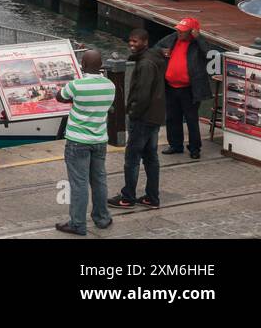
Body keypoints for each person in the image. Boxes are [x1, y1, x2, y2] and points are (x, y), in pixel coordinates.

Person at [53, 49, 116, 235]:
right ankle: (102, 218)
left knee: (79, 183)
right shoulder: (110, 85)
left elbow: (60, 97)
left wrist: (74, 100)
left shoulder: (76, 85)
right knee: (99, 179)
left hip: (77, 141)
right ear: (101, 65)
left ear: (83, 65)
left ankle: (78, 224)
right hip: (99, 139)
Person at [109, 28, 166, 209]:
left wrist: (133, 113)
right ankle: (152, 197)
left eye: (136, 41)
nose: (132, 44)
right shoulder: (154, 59)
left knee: (132, 158)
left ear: (145, 42)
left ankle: (128, 197)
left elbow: (142, 94)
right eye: (130, 41)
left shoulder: (145, 64)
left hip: (143, 118)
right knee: (150, 157)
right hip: (155, 116)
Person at [157, 18, 211, 160]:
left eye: (183, 31)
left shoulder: (197, 44)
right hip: (171, 86)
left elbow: (209, 54)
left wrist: (199, 38)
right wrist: (162, 51)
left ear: (192, 32)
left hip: (189, 89)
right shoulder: (172, 39)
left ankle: (194, 148)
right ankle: (175, 145)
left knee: (191, 119)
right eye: (178, 29)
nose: (179, 32)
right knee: (172, 117)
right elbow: (155, 48)